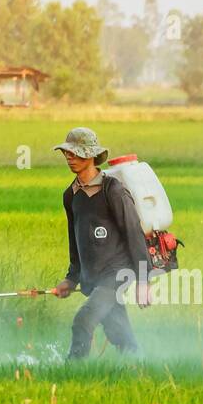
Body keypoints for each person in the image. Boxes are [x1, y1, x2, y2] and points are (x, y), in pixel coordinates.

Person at [51, 127, 151, 360]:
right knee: (120, 334)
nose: (69, 158)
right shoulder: (70, 195)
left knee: (83, 321)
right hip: (93, 277)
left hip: (117, 274)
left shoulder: (112, 190)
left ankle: (72, 373)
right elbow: (75, 240)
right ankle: (139, 367)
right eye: (67, 153)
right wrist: (71, 278)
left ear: (91, 155)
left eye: (75, 153)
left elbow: (134, 233)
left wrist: (143, 280)